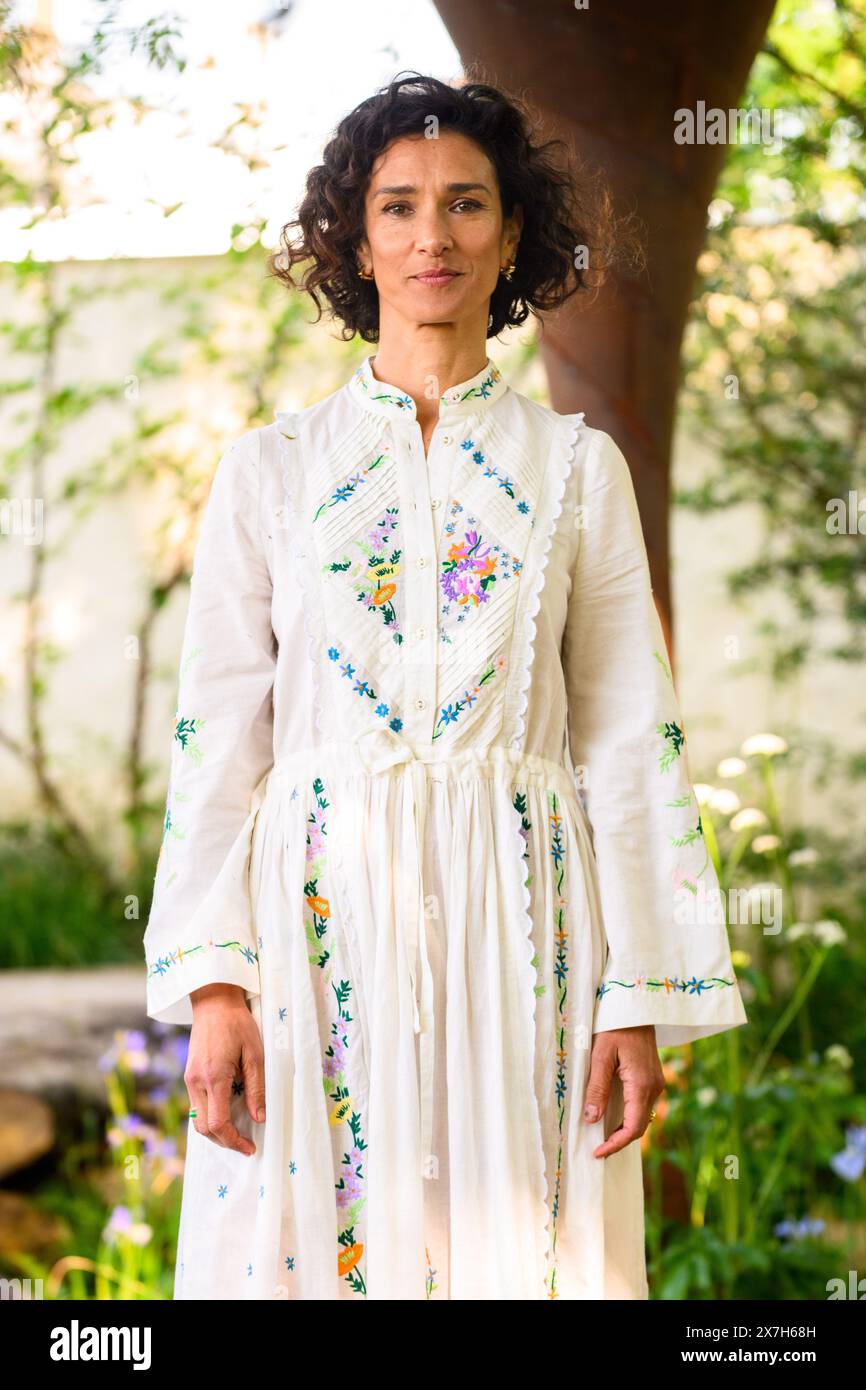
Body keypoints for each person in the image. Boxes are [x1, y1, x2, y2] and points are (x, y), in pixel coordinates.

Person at [143, 71, 748, 1301]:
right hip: (314, 921)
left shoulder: (579, 472)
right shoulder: (270, 473)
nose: (433, 236)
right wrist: (217, 982)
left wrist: (633, 990)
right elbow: (219, 736)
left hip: (526, 926)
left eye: (467, 204)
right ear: (355, 240)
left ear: (511, 232)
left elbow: (629, 736)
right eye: (399, 206)